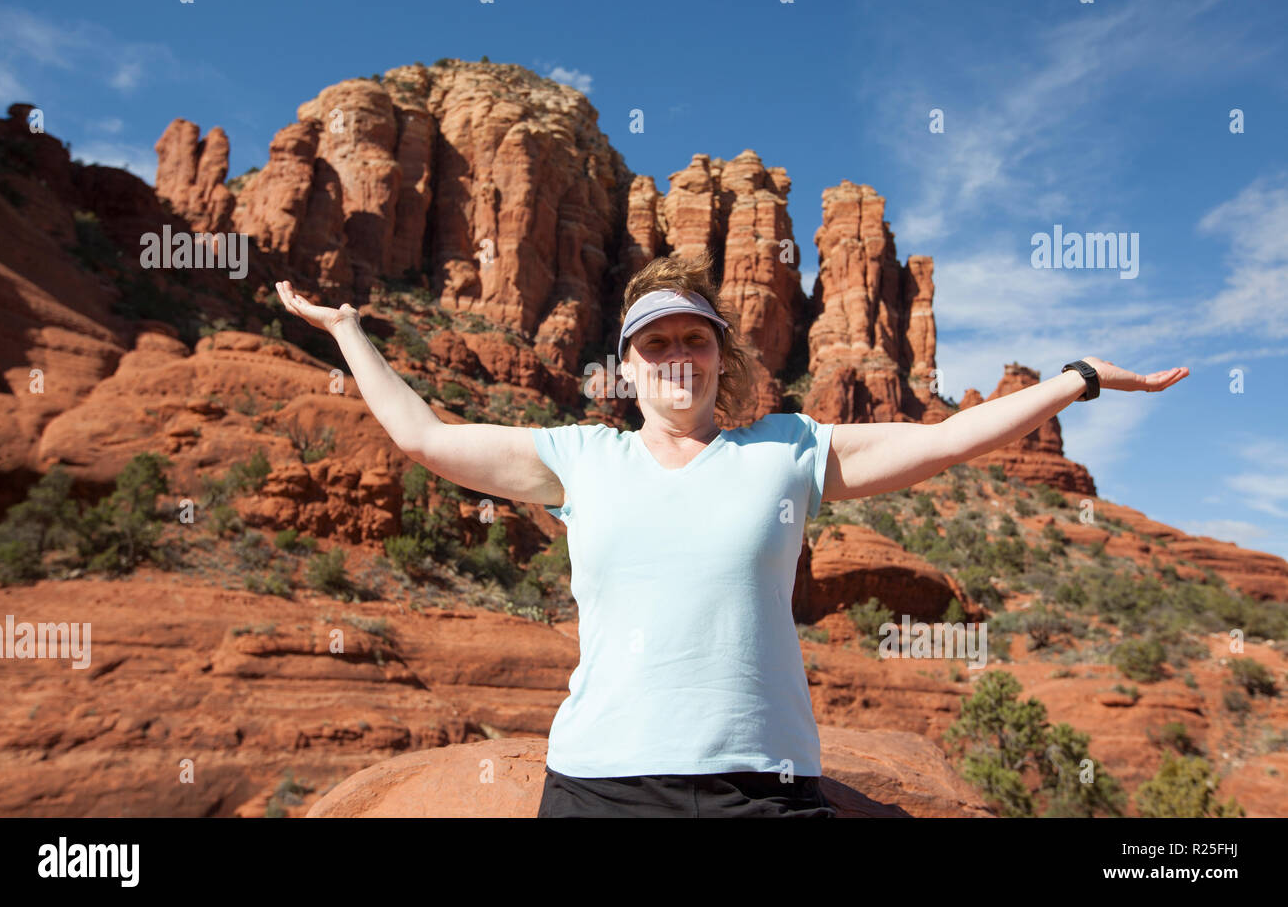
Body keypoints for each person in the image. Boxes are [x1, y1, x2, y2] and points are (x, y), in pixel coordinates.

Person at [275, 252, 1188, 818]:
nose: (678, 356)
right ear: (626, 366)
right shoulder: (577, 458)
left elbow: (947, 439)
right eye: (655, 343)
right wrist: (352, 333)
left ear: (723, 354)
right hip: (601, 790)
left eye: (695, 339)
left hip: (764, 791)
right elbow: (426, 437)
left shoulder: (790, 450)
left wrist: (1078, 379)